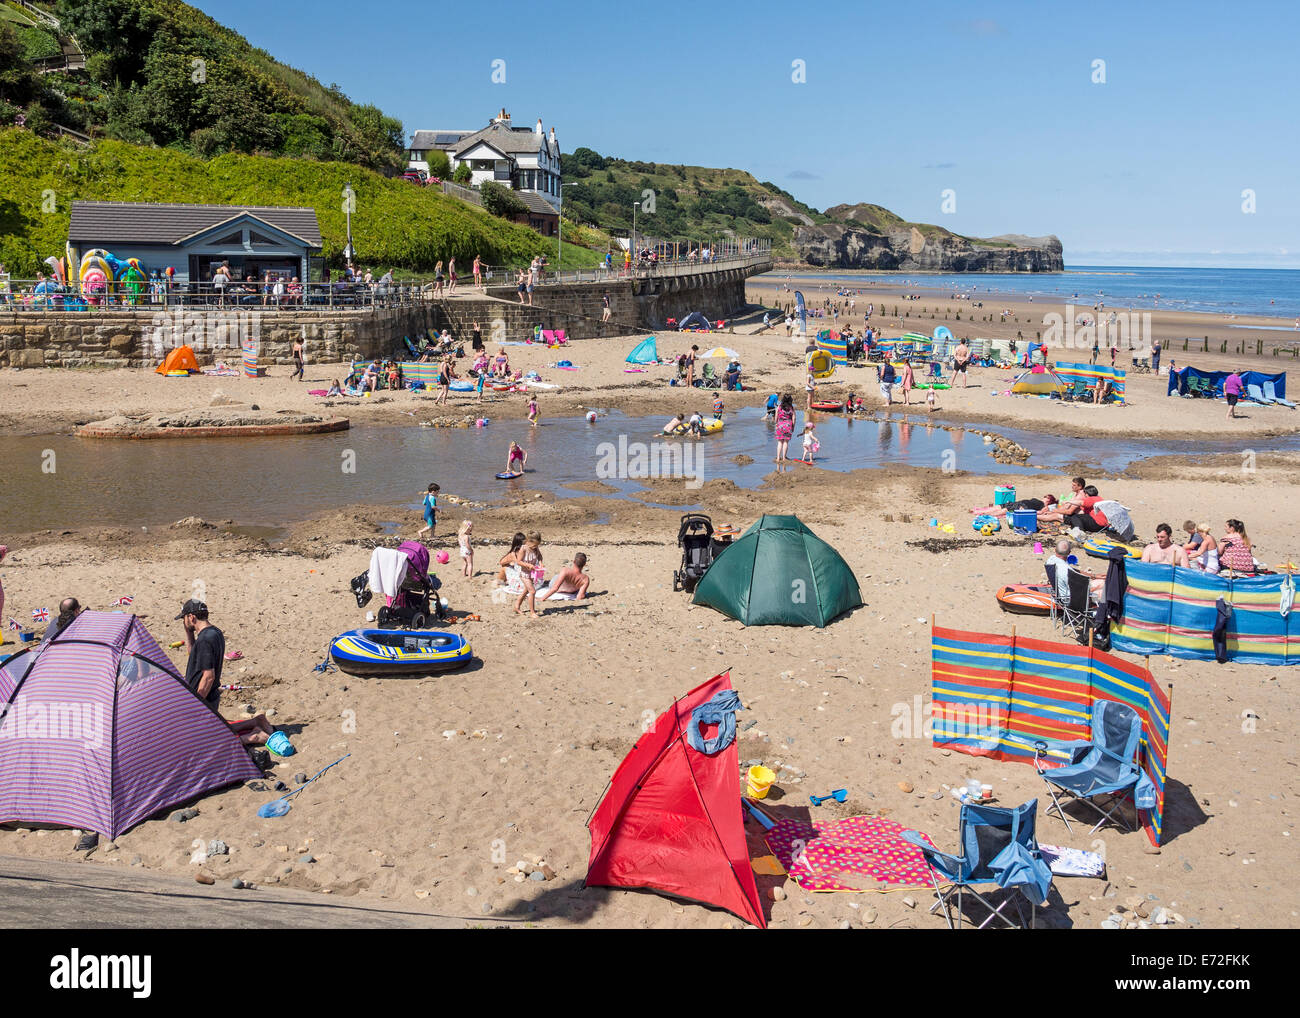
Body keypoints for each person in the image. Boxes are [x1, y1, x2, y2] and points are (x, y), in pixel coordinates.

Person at [177, 599, 224, 710]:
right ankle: (256, 722)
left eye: (184, 618)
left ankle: (257, 721)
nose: (184, 622)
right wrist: (188, 631)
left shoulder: (204, 640)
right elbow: (193, 654)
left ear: (191, 617)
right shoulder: (215, 632)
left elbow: (209, 676)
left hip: (205, 697)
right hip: (211, 695)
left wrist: (197, 705)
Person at [514, 531, 544, 616]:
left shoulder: (535, 548)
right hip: (524, 573)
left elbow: (539, 556)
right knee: (532, 591)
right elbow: (518, 562)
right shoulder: (523, 549)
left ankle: (517, 606)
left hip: (532, 572)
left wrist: (541, 563)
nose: (535, 547)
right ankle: (532, 612)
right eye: (534, 545)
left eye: (537, 545)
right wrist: (527, 565)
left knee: (526, 591)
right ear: (528, 541)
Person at [969, 494, 1058, 519]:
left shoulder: (1045, 506)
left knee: (1005, 510)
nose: (1045, 498)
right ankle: (980, 511)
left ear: (1049, 501)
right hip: (1019, 502)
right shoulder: (1040, 501)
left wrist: (1026, 511)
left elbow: (1041, 512)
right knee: (1001, 506)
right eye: (1045, 497)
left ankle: (985, 515)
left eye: (1047, 498)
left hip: (1024, 506)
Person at [774, 394, 795, 463]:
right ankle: (783, 458)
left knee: (780, 442)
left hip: (780, 425)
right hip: (788, 425)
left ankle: (777, 458)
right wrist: (793, 426)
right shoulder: (791, 408)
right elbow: (794, 418)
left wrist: (776, 423)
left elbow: (776, 416)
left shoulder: (779, 407)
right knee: (785, 442)